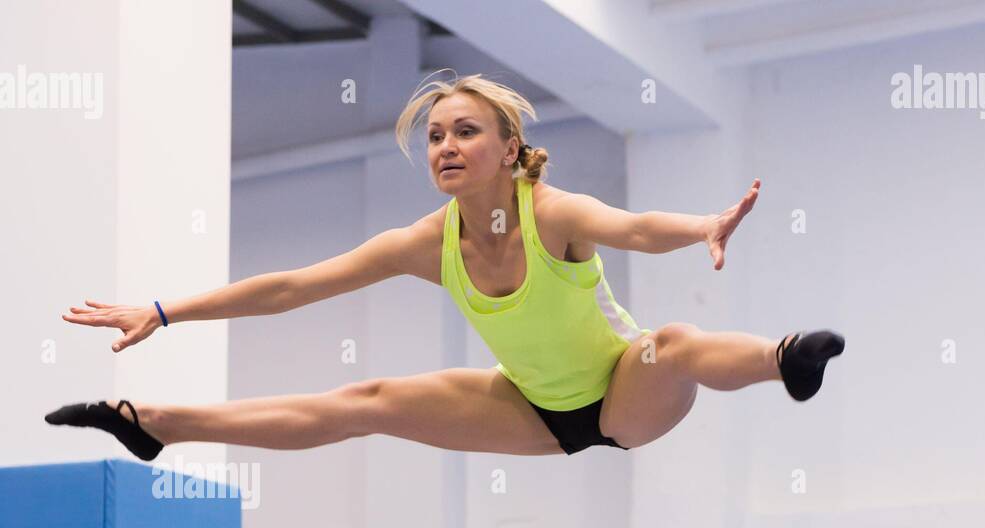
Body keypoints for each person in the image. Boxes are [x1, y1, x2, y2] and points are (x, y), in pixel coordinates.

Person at [45, 71, 845, 461]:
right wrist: (164, 310)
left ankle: (785, 358)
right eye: (435, 137)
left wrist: (707, 223)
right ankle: (154, 424)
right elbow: (294, 286)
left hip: (623, 398)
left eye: (465, 132)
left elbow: (633, 226)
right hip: (531, 411)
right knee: (368, 399)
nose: (446, 147)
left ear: (507, 147)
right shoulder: (425, 244)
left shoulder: (551, 213)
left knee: (670, 340)